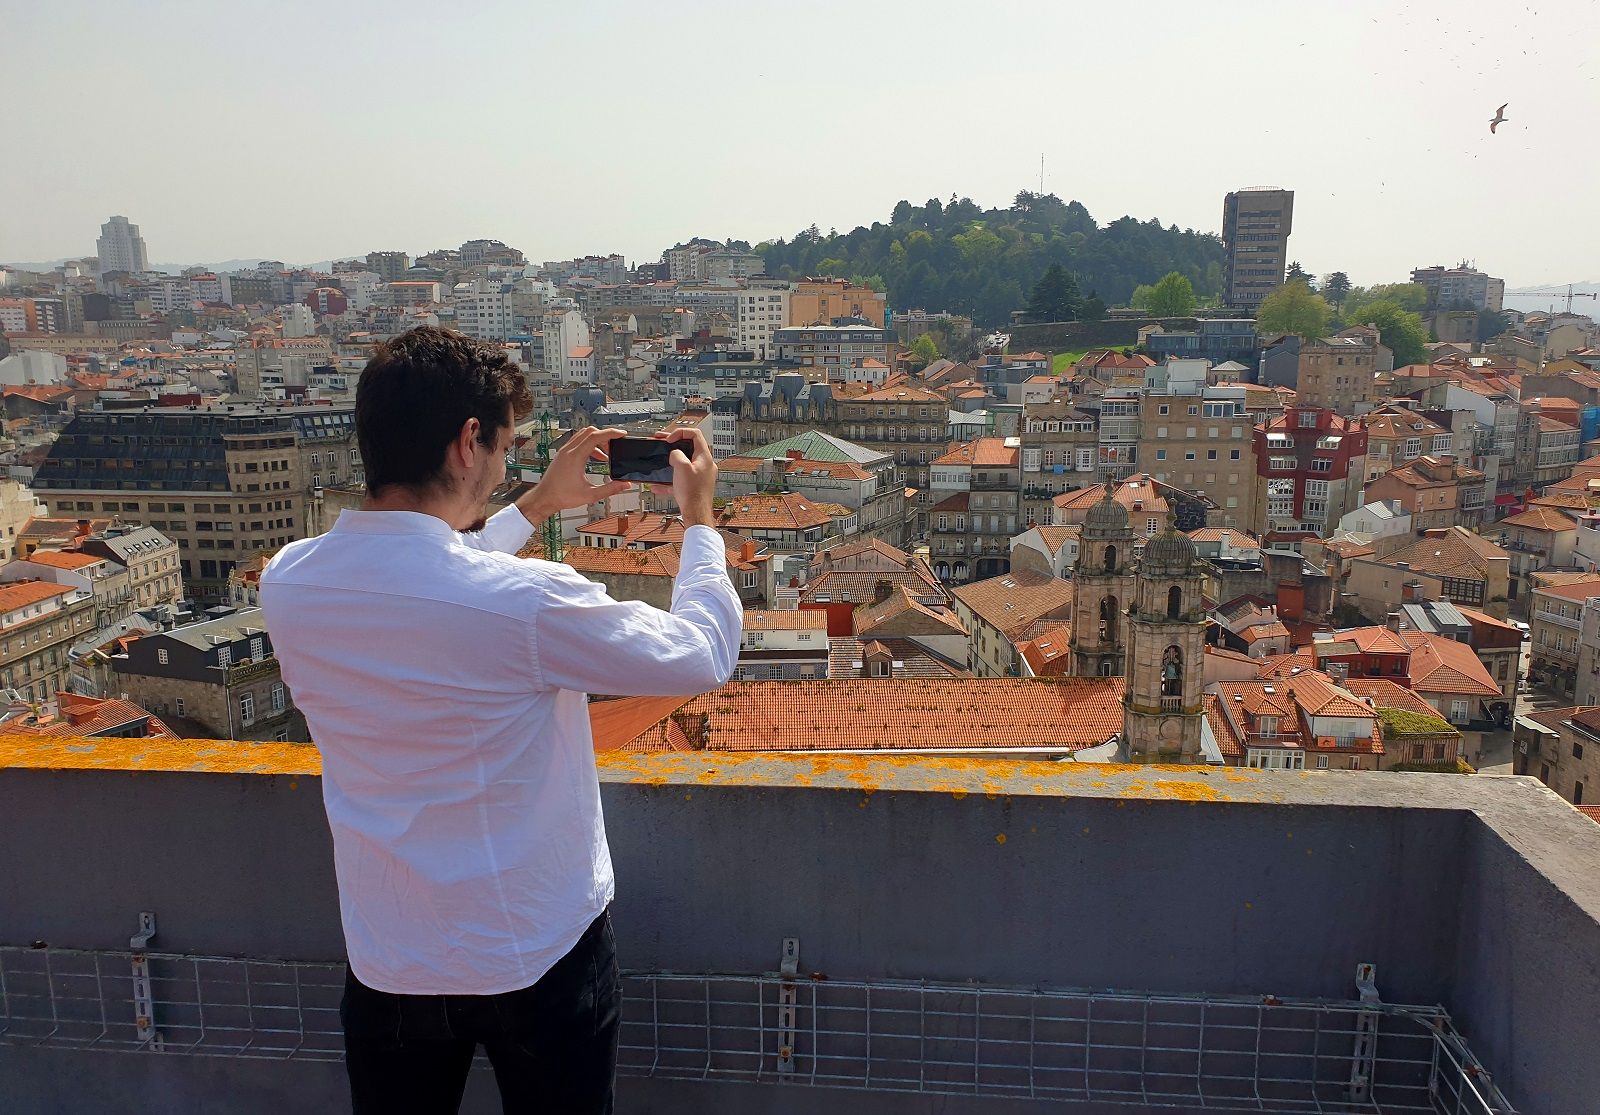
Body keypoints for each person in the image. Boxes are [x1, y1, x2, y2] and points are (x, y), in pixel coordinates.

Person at [259, 327, 742, 1114]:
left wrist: (538, 504)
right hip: (537, 951)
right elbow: (700, 653)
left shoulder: (291, 582)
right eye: (504, 447)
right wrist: (700, 523)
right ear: (466, 442)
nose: (501, 466)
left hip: (391, 957)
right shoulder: (525, 602)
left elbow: (426, 575)